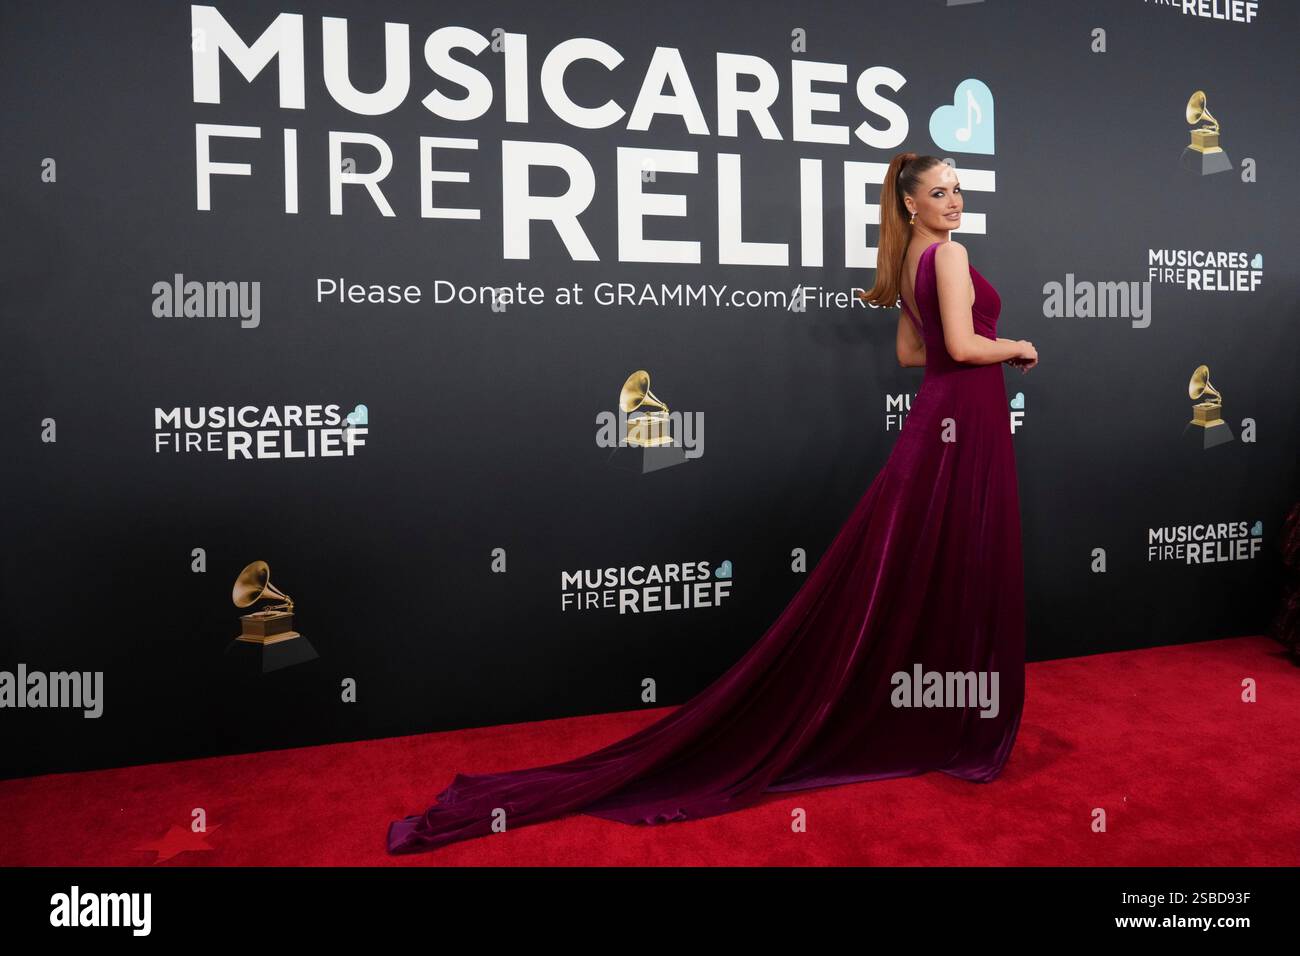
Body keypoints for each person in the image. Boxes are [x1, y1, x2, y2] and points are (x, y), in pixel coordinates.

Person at [386, 151, 1037, 855]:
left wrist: (975, 350)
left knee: (922, 562)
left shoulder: (903, 259)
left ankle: (922, 711)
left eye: (958, 189)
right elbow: (965, 346)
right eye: (939, 192)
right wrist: (1020, 345)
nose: (954, 201)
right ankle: (951, 721)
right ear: (911, 203)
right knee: (959, 557)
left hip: (937, 417)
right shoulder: (946, 254)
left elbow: (916, 356)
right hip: (963, 418)